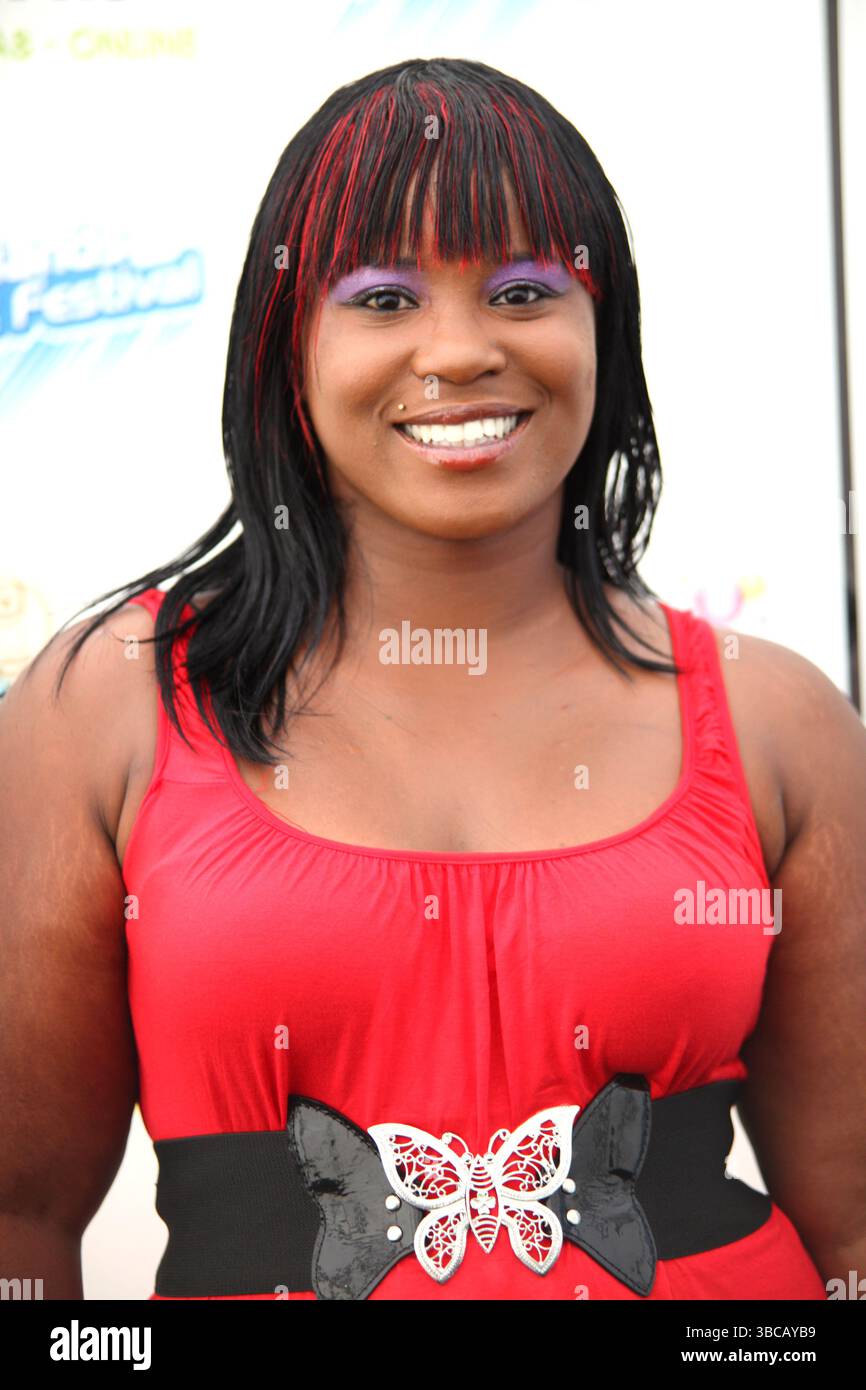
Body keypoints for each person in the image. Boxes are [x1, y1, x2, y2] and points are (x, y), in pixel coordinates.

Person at [2, 56, 864, 1302]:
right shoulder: (102, 708)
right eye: (383, 297)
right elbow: (20, 1218)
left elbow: (853, 1227)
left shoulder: (781, 718)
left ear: (603, 330)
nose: (458, 351)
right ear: (285, 349)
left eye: (521, 290)